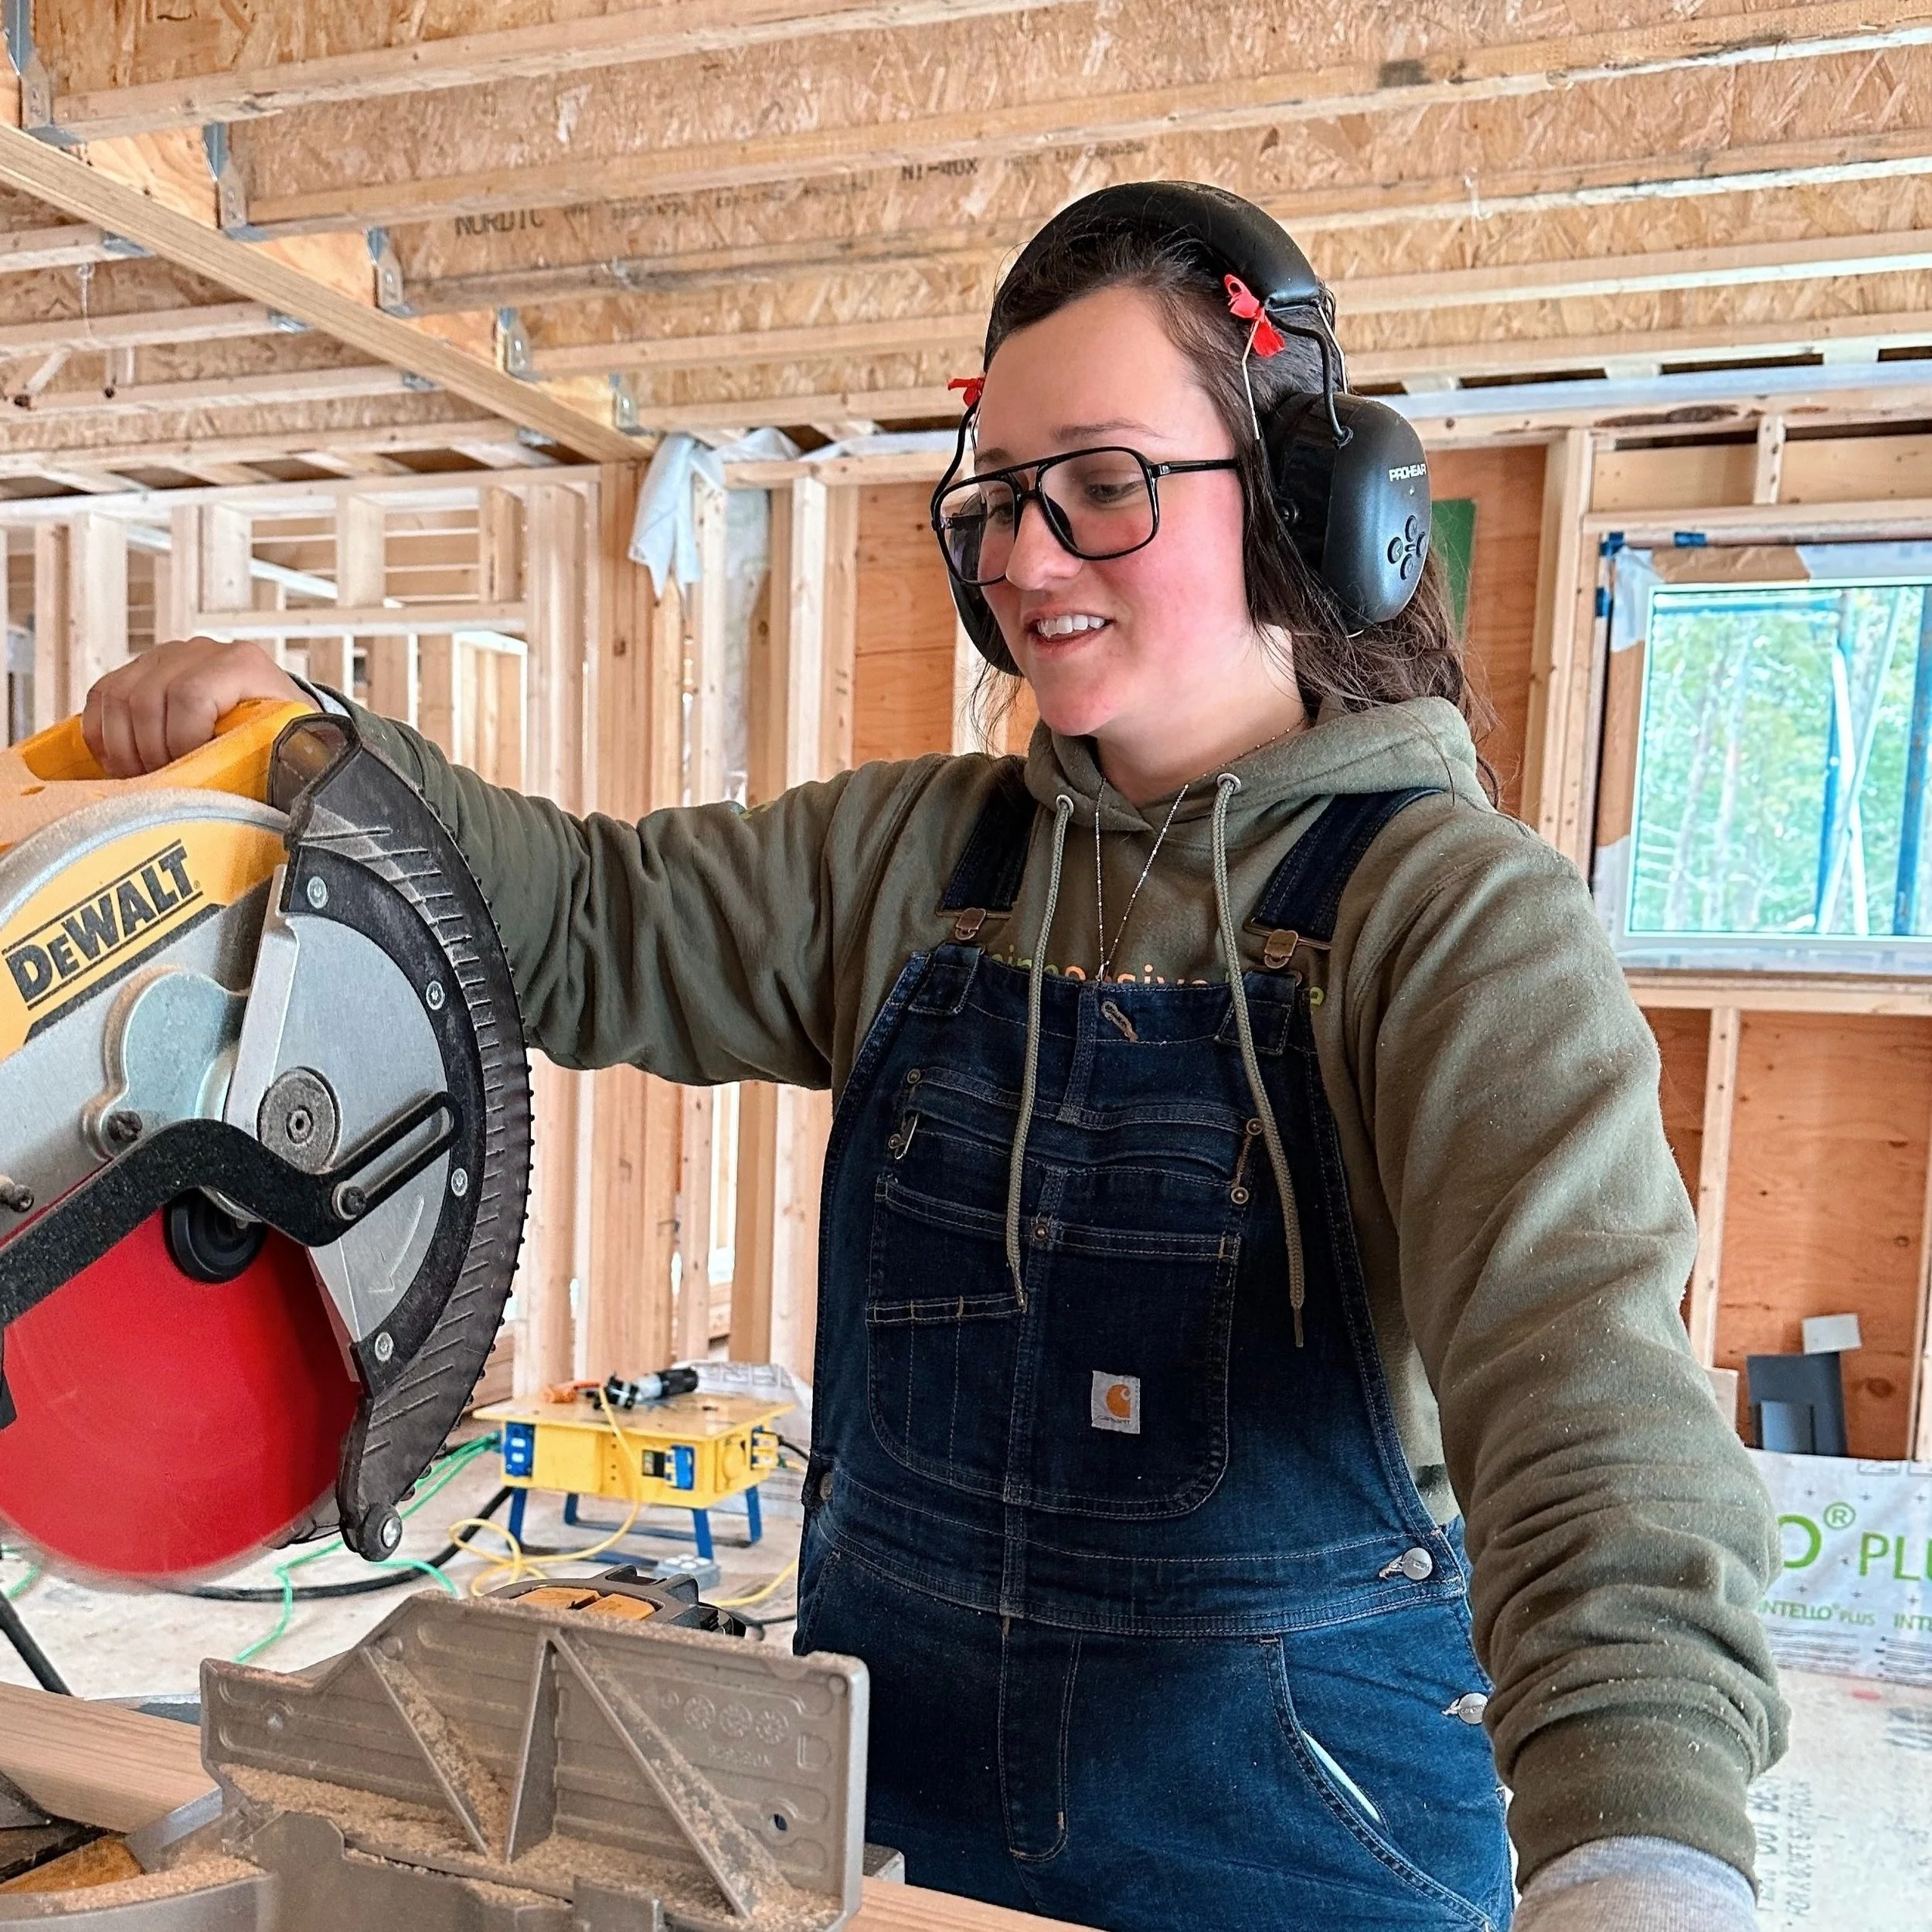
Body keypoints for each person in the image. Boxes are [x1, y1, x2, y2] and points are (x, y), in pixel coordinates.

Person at [84, 184, 1784, 1932]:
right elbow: (574, 921)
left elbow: (1594, 1438)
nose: (1028, 557)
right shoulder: (911, 866)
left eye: (1105, 483)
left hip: (1298, 1862)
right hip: (885, 1850)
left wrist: (1638, 1866)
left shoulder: (1448, 920)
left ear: (1298, 505)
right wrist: (319, 753)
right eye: (997, 497)